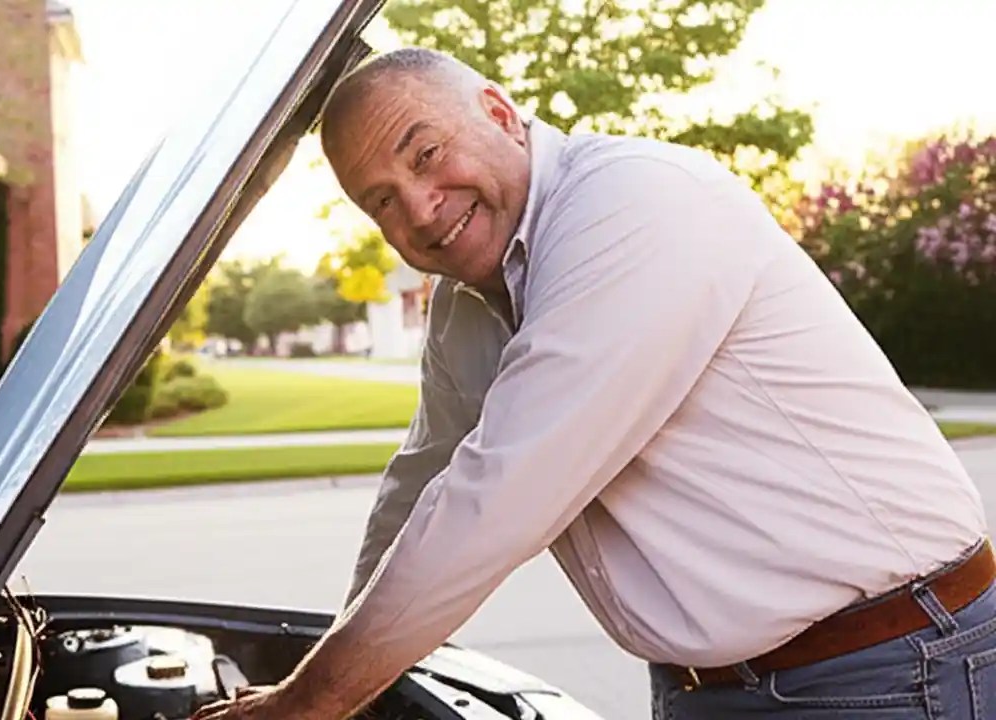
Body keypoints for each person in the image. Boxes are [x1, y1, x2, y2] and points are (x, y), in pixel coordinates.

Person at [193, 47, 994, 719]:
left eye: (425, 154)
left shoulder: (637, 203)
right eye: (382, 203)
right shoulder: (462, 306)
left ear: (501, 113)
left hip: (892, 668)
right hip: (705, 691)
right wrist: (337, 677)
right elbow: (421, 484)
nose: (422, 210)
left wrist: (307, 706)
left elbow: (497, 495)